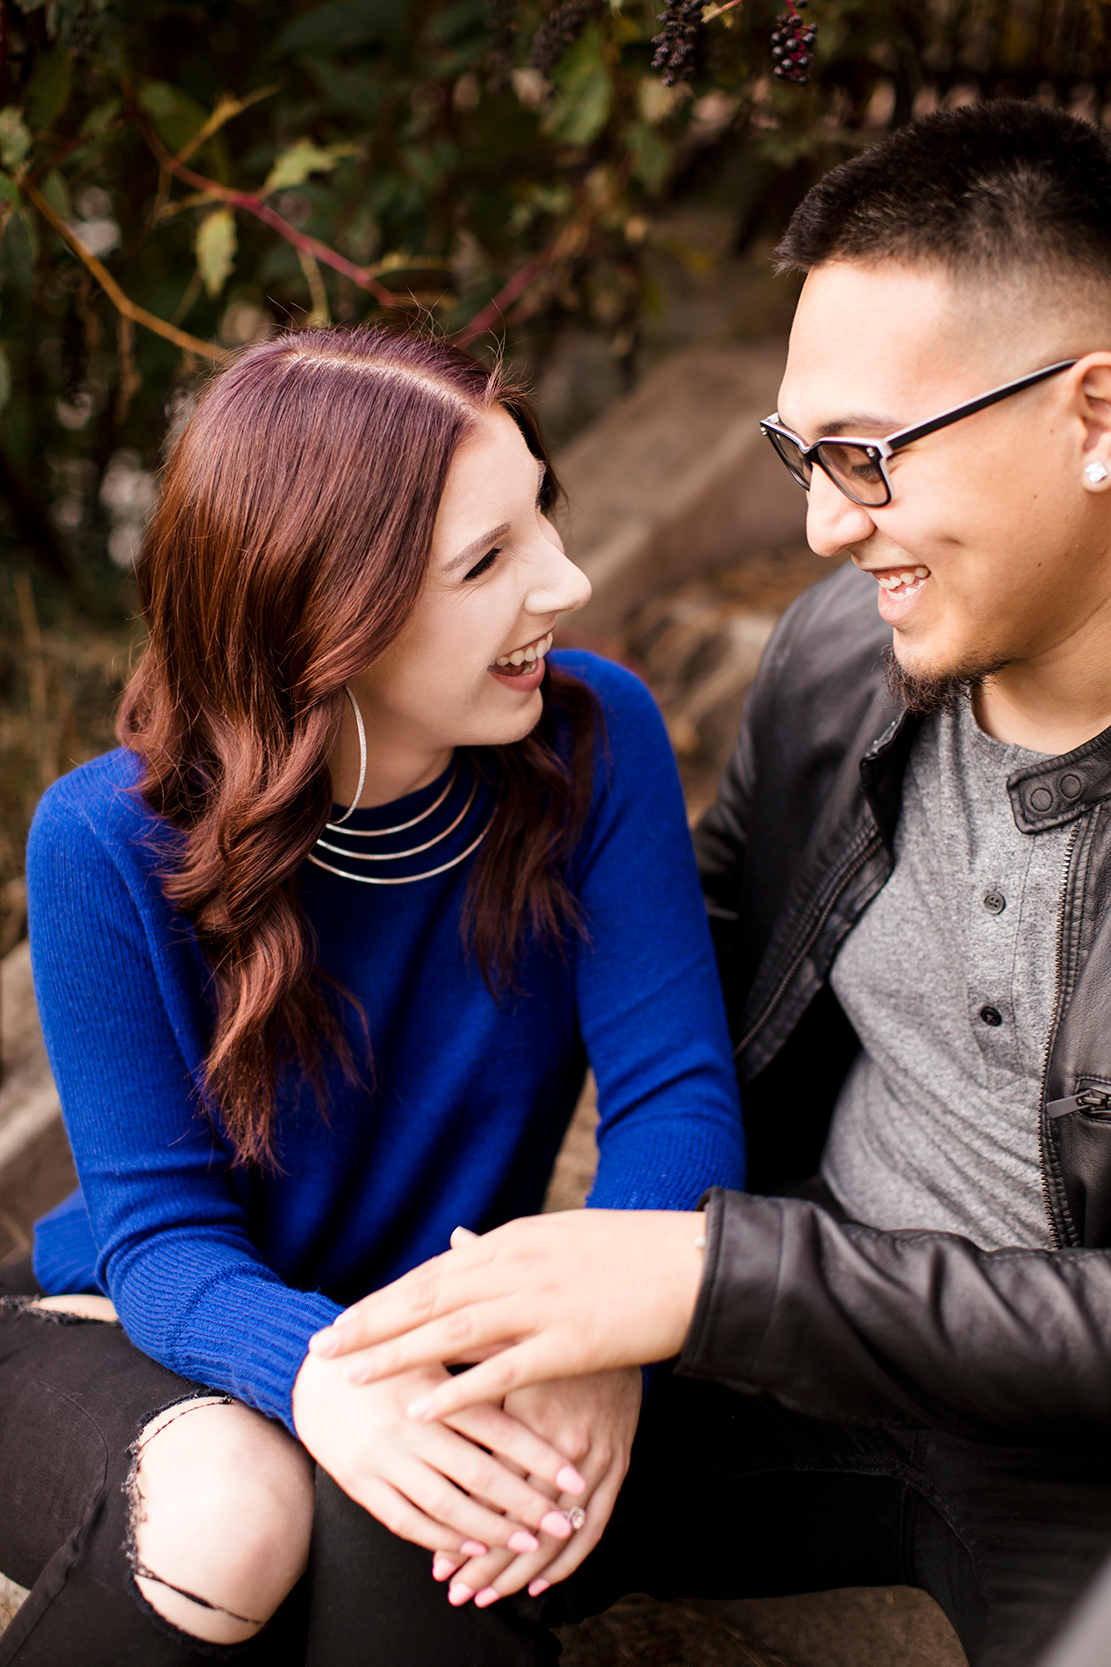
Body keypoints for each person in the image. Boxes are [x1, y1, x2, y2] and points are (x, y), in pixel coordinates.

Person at [314, 101, 1111, 1667]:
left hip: (1067, 1457)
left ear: (1096, 413)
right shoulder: (838, 664)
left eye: (868, 457)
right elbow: (702, 985)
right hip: (801, 1374)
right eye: (800, 455)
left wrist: (711, 1275)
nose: (824, 525)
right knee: (407, 1497)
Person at [0, 326, 743, 1665]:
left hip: (422, 1345)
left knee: (415, 1510)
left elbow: (676, 1096)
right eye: (488, 562)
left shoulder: (593, 739)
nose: (564, 583)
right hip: (131, 1329)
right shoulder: (105, 842)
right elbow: (161, 1240)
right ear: (326, 610)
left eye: (542, 522)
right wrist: (322, 1376)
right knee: (237, 1506)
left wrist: (600, 1332)